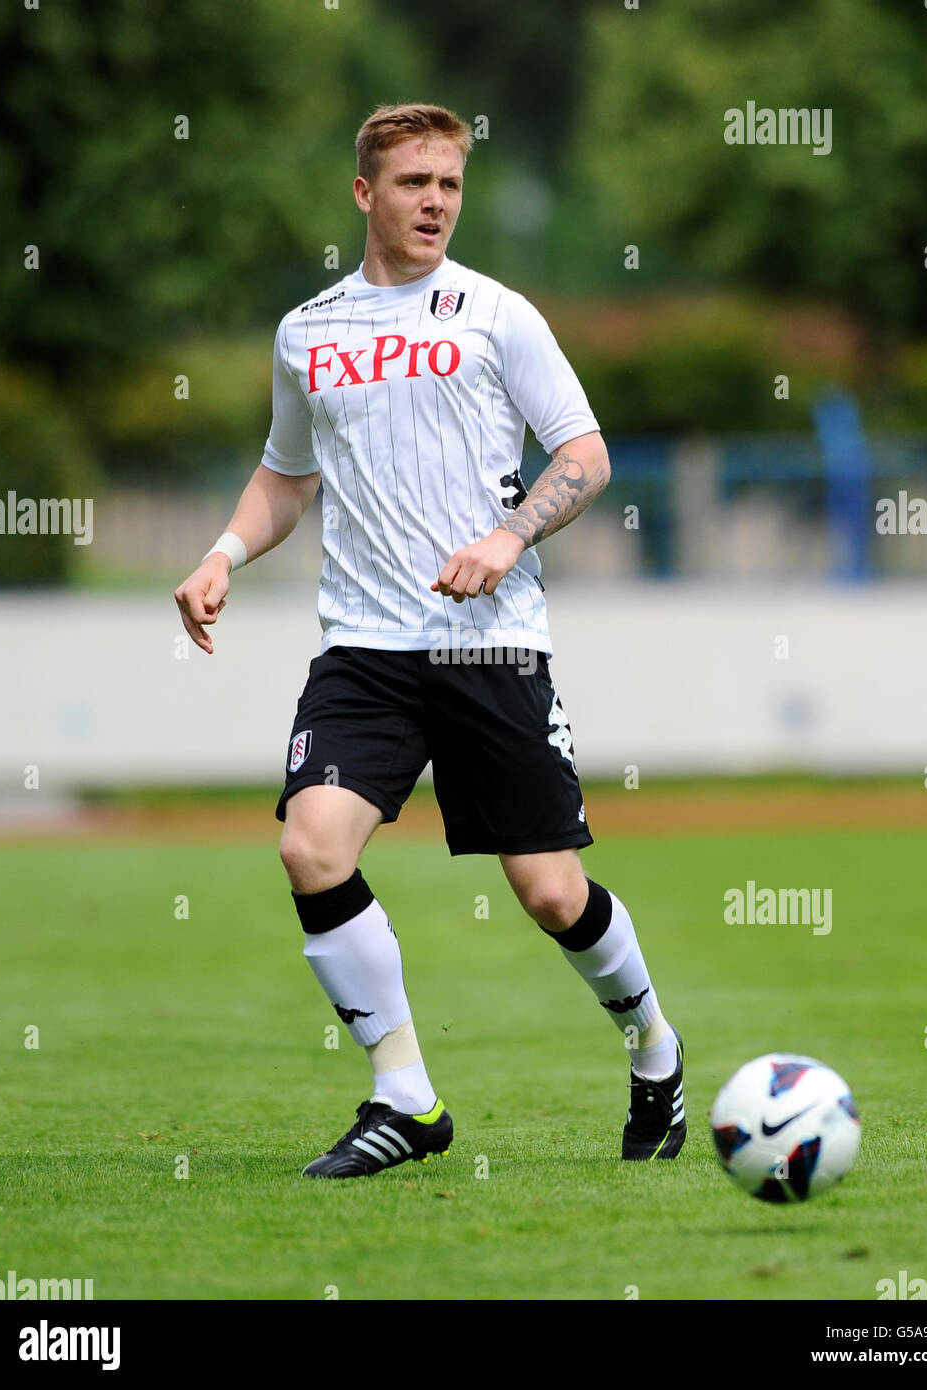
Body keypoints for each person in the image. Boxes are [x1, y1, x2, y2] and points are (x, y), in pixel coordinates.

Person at [174, 102, 685, 1178]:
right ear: (365, 193)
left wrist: (509, 534)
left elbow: (584, 456)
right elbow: (286, 473)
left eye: (449, 183)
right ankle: (404, 1095)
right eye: (412, 183)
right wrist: (223, 551)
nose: (434, 203)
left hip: (489, 646)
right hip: (362, 649)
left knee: (549, 890)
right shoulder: (307, 330)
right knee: (311, 846)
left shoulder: (498, 315)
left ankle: (652, 1046)